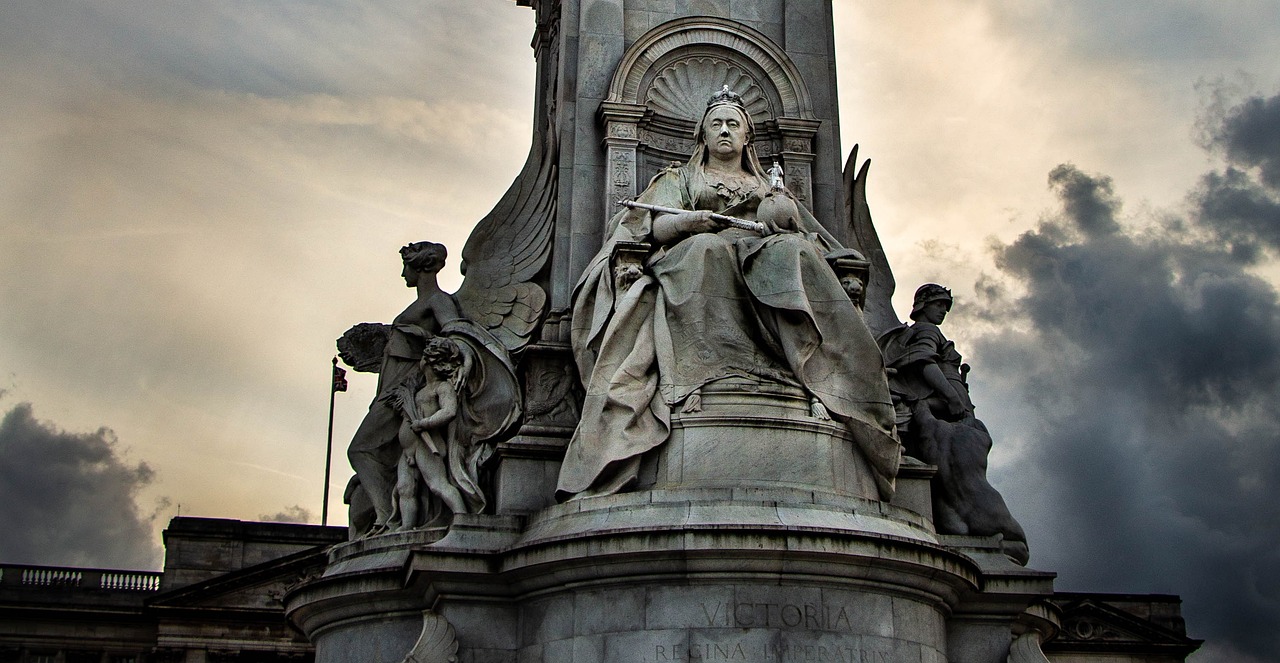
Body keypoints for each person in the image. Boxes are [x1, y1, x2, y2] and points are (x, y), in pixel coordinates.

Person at [559, 86, 900, 500]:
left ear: (747, 137)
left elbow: (803, 230)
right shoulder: (680, 179)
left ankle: (808, 374)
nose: (724, 130)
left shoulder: (767, 185)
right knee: (708, 252)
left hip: (760, 253)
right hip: (694, 251)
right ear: (702, 135)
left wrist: (783, 220)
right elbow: (650, 225)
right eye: (716, 124)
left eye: (733, 124)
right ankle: (706, 378)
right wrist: (690, 222)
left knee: (793, 254)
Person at [879, 284, 1030, 565]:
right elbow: (925, 363)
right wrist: (952, 399)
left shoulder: (921, 332)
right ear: (923, 305)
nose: (943, 311)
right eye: (938, 304)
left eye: (945, 307)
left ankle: (956, 522)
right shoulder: (927, 331)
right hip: (949, 411)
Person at [347, 241, 460, 535]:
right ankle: (387, 515)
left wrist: (419, 335)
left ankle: (385, 517)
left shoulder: (438, 300)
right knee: (369, 451)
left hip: (406, 388)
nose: (402, 275)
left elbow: (457, 338)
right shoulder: (420, 303)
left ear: (419, 266)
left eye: (405, 267)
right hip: (393, 389)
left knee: (360, 449)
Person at [389, 337, 468, 531]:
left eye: (424, 356)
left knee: (437, 485)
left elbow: (449, 411)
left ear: (432, 361)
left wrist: (424, 423)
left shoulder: (442, 387)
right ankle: (407, 526)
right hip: (409, 448)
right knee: (405, 488)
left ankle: (464, 519)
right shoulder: (419, 389)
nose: (421, 360)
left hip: (427, 445)